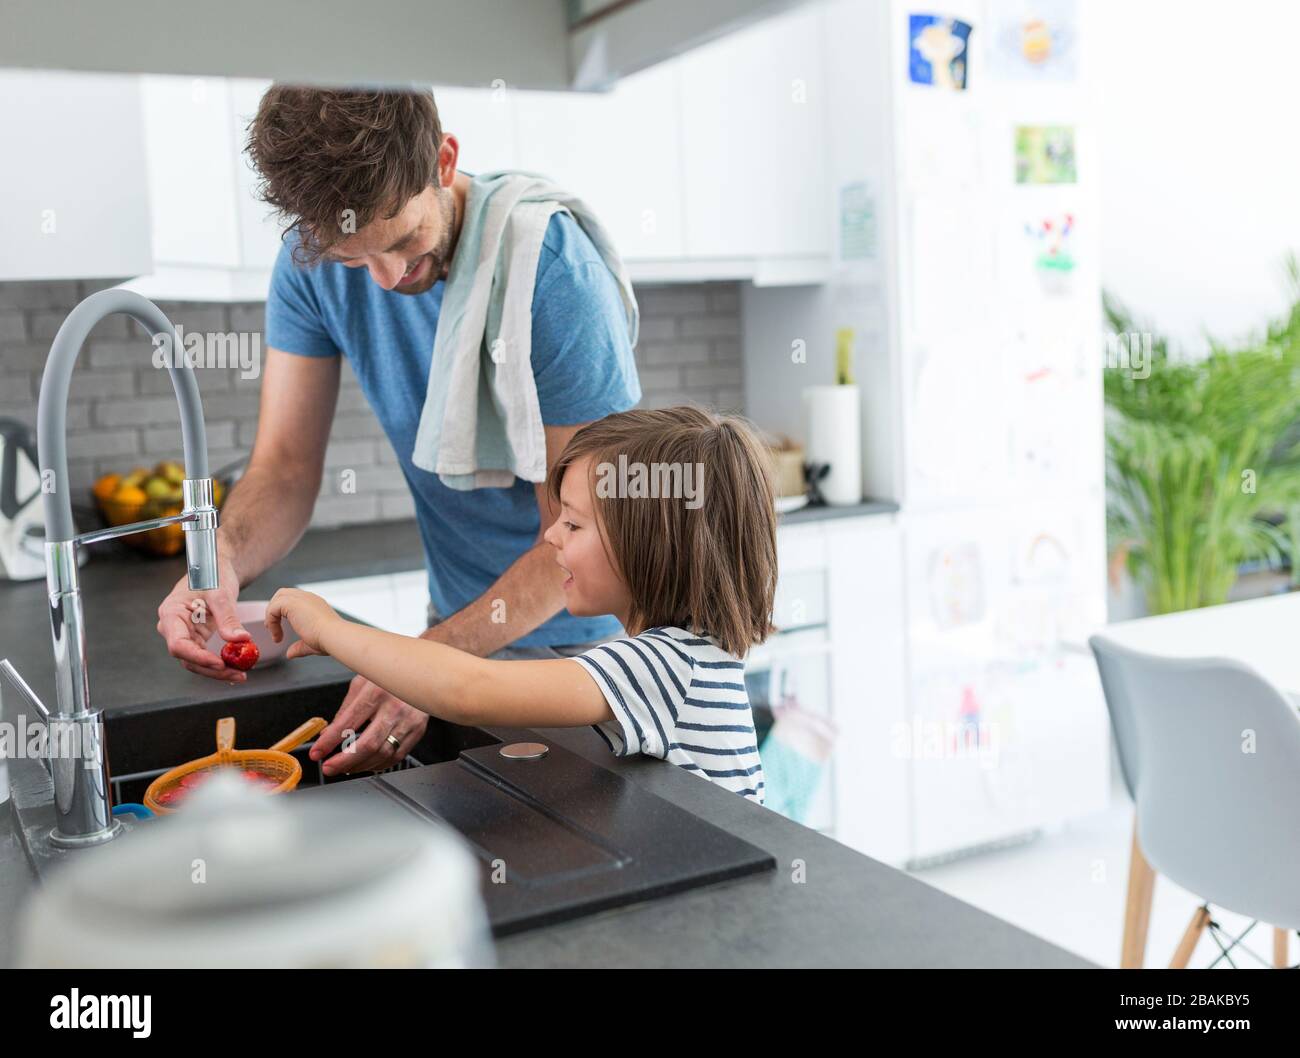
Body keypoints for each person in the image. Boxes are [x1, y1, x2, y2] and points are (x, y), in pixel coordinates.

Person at [155, 86, 640, 776]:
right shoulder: (311, 266)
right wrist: (221, 564)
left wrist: (426, 663)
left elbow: (586, 537)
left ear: (444, 162)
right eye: (356, 259)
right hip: (449, 630)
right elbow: (285, 468)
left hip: (581, 658)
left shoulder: (553, 273)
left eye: (405, 240)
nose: (385, 279)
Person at [265, 407, 777, 803]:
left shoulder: (664, 667)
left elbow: (465, 688)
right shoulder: (684, 652)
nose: (551, 536)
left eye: (573, 524)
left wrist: (331, 629)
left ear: (651, 548)